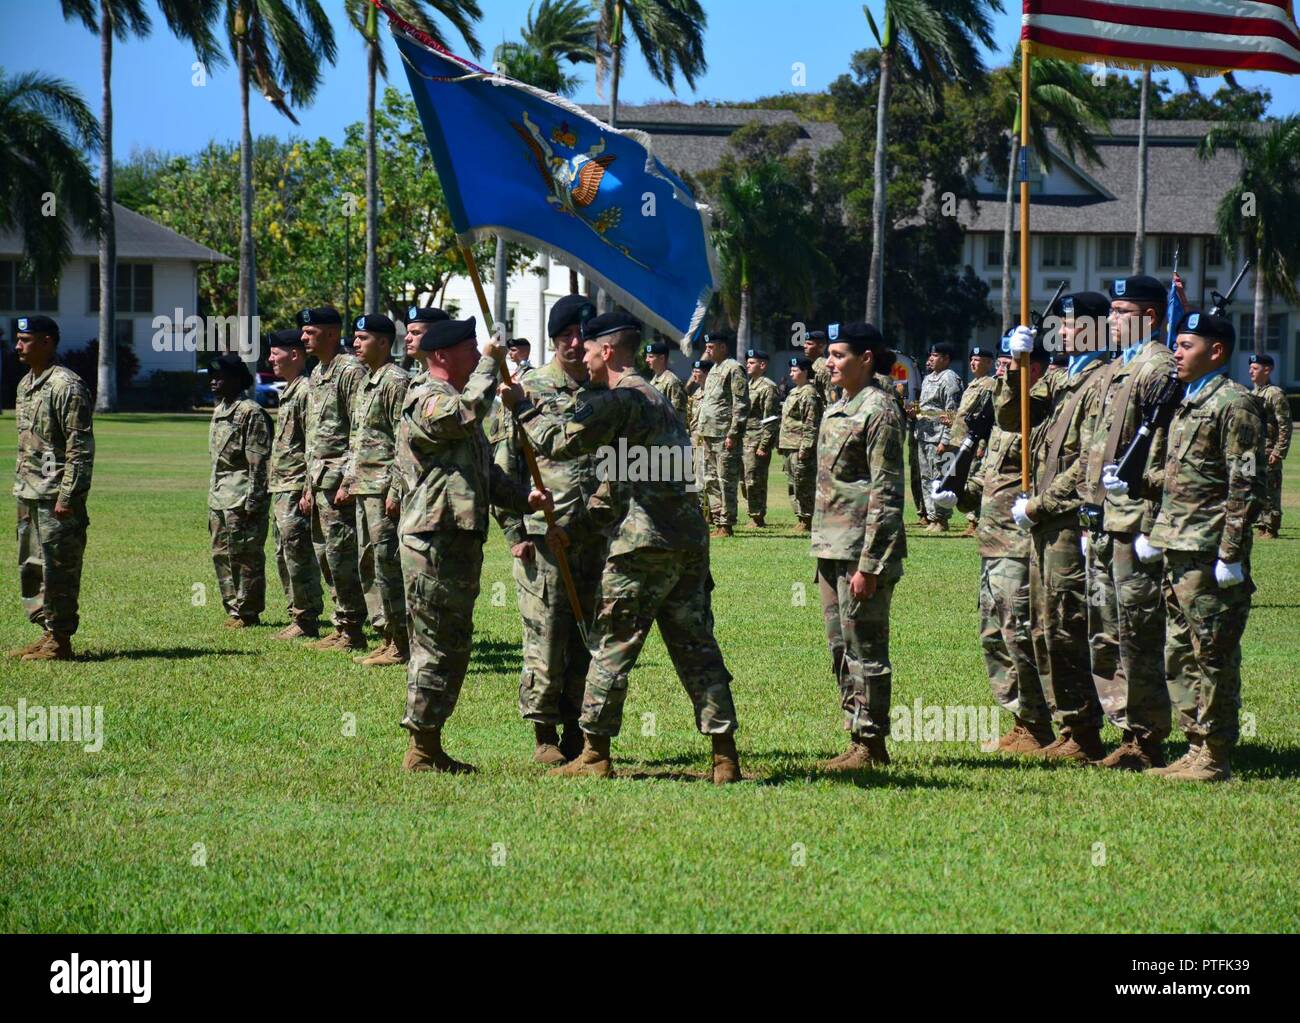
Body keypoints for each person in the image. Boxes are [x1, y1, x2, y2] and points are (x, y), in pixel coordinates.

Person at [499, 310, 743, 784]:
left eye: (589, 350)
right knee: (697, 649)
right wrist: (584, 521)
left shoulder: (620, 399)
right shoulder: (658, 398)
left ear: (606, 351)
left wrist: (522, 404)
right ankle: (725, 755)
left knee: (610, 647)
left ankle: (593, 753)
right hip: (687, 543)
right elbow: (624, 477)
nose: (583, 359)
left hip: (641, 547)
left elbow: (558, 442)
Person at [397, 317, 545, 773]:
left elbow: (484, 474)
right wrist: (488, 363)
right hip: (432, 541)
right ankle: (421, 748)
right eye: (467, 348)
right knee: (433, 645)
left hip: (457, 539)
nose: (475, 354)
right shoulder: (427, 398)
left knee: (453, 644)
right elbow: (463, 415)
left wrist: (525, 497)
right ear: (442, 355)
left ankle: (431, 744)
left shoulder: (459, 403)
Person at [1133, 312, 1265, 781]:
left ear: (1217, 351)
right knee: (1180, 651)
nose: (1177, 354)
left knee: (1212, 653)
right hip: (1176, 546)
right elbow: (1178, 479)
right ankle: (1194, 745)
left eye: (1186, 345)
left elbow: (1244, 484)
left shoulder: (1235, 404)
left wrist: (1230, 553)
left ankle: (1215, 754)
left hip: (1209, 552)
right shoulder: (1185, 402)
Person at [1000, 293, 1115, 761]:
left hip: (1068, 520)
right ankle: (1068, 726)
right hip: (1047, 523)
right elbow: (1013, 417)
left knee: (1069, 623)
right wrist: (1016, 366)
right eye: (1062, 326)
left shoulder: (1101, 378)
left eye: (1071, 326)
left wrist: (1040, 505)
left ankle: (1085, 730)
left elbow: (1091, 460)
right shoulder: (1066, 378)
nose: (1062, 332)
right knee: (1045, 625)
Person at [493, 294, 604, 765]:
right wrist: (516, 533)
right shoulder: (527, 389)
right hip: (543, 534)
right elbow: (504, 467)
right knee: (545, 633)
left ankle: (583, 728)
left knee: (589, 636)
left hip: (598, 534)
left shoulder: (608, 390)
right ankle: (543, 732)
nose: (575, 345)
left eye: (582, 336)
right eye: (565, 337)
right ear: (554, 340)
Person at [936, 337, 1054, 753]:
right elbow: (992, 480)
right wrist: (961, 493)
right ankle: (1021, 718)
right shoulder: (1004, 423)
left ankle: (1040, 724)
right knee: (993, 635)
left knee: (1020, 634)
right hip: (992, 539)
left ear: (1035, 370)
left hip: (1021, 543)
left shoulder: (1039, 415)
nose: (1002, 372)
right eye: (1001, 364)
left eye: (1012, 365)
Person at [1088, 275, 1177, 763]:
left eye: (1122, 312)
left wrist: (1154, 524)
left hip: (1137, 520)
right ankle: (1124, 729)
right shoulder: (1118, 366)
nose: (1112, 321)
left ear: (1148, 317)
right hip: (1106, 518)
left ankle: (1147, 737)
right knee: (1107, 630)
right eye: (1112, 311)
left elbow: (1163, 451)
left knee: (1139, 631)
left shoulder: (1157, 368)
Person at [811, 322, 907, 771]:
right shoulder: (838, 408)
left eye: (838, 355)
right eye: (828, 354)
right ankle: (856, 733)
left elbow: (886, 492)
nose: (829, 362)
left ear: (866, 358)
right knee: (840, 649)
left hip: (860, 551)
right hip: (831, 547)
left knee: (865, 648)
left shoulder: (879, 410)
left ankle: (872, 743)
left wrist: (870, 564)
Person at [8, 315, 94, 662]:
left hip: (56, 495)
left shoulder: (66, 386)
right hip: (29, 492)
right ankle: (46, 633)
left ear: (47, 342)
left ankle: (60, 640)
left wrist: (68, 496)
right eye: (17, 339)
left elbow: (80, 447)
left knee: (59, 568)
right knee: (32, 566)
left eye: (25, 340)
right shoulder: (26, 384)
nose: (18, 346)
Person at [339, 314, 410, 666]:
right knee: (369, 561)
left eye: (363, 338)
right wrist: (349, 479)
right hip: (364, 487)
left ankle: (401, 641)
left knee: (387, 563)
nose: (355, 344)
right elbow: (359, 439)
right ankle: (385, 634)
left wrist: (396, 490)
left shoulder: (395, 381)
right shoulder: (369, 381)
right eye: (355, 337)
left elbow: (403, 440)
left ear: (384, 342)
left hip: (383, 489)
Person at [299, 305, 369, 651]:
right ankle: (341, 625)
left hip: (340, 481)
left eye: (310, 333)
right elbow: (314, 435)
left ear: (329, 333)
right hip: (319, 480)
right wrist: (308, 485)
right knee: (326, 553)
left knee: (342, 554)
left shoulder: (349, 371)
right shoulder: (318, 373)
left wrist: (349, 479)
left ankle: (352, 629)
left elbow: (360, 427)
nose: (303, 337)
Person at [206, 354, 272, 629]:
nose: (213, 381)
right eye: (212, 376)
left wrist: (254, 502)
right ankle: (233, 608)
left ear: (236, 380)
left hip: (242, 495)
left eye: (220, 376)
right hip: (220, 495)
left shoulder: (250, 412)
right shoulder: (221, 408)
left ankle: (248, 611)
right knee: (221, 553)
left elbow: (259, 463)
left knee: (245, 555)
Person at [267, 328, 325, 640]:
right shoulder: (290, 390)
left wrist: (308, 488)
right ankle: (296, 614)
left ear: (294, 355)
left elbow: (311, 444)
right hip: (281, 486)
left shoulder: (305, 391)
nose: (270, 359)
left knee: (298, 551)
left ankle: (306, 618)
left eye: (275, 353)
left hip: (295, 486)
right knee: (284, 551)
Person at [697, 329, 750, 537]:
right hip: (709, 432)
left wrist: (733, 433)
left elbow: (741, 404)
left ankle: (727, 523)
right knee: (710, 478)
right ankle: (718, 519)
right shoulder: (714, 369)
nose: (707, 351)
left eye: (711, 347)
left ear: (722, 347)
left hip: (724, 434)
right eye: (707, 347)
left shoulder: (734, 369)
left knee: (725, 478)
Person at [909, 342, 963, 532]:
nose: (930, 358)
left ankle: (941, 518)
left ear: (946, 359)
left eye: (935, 355)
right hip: (923, 434)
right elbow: (925, 407)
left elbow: (952, 411)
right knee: (926, 477)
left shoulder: (949, 379)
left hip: (938, 436)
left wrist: (946, 440)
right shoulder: (927, 378)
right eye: (930, 355)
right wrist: (913, 410)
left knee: (939, 477)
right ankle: (932, 517)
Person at [946, 346, 997, 537]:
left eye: (978, 360)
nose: (973, 363)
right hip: (961, 440)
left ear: (989, 363)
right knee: (964, 479)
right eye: (972, 359)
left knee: (974, 479)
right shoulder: (973, 384)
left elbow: (985, 418)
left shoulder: (988, 385)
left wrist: (981, 445)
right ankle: (972, 522)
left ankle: (976, 522)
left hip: (974, 441)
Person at [1248, 353, 1291, 539]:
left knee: (1270, 489)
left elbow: (1285, 425)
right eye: (1250, 368)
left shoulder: (1275, 393)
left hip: (1268, 450)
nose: (1251, 370)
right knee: (1253, 487)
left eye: (1255, 368)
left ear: (1268, 370)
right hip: (1251, 451)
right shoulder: (1252, 393)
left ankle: (1271, 527)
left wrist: (1279, 451)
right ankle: (1259, 524)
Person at [778, 356, 822, 533]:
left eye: (795, 370)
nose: (791, 373)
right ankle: (801, 516)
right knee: (793, 482)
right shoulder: (794, 392)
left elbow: (811, 423)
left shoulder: (808, 393)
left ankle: (807, 518)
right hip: (790, 444)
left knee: (803, 483)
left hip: (800, 446)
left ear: (804, 371)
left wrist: (806, 447)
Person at [741, 348, 780, 528]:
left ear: (762, 365)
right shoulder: (748, 385)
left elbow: (770, 418)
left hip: (756, 439)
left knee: (755, 479)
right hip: (744, 439)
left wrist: (764, 445)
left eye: (752, 362)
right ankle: (753, 512)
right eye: (747, 362)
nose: (748, 365)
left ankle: (757, 517)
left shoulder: (768, 387)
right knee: (744, 479)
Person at [645, 340, 687, 426]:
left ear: (662, 358)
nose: (646, 360)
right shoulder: (654, 380)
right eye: (647, 357)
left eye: (650, 357)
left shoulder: (672, 381)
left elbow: (678, 414)